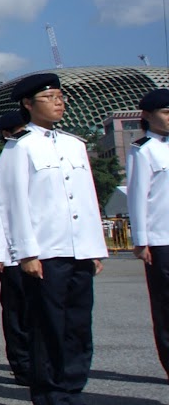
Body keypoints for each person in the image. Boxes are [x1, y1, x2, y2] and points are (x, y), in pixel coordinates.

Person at [0, 72, 108, 405]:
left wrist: (94, 247)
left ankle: (73, 386)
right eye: (49, 98)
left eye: (60, 96)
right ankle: (50, 393)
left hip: (78, 249)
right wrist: (26, 253)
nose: (58, 102)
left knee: (78, 324)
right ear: (28, 105)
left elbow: (87, 199)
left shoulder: (74, 145)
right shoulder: (20, 147)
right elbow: (15, 202)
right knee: (48, 327)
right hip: (46, 251)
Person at [0, 110, 32, 387]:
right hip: (13, 254)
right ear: (7, 135)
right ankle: (21, 363)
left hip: (43, 251)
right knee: (17, 310)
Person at [128, 87, 169, 382]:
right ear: (147, 116)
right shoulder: (143, 150)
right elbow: (137, 196)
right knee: (166, 307)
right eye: (166, 113)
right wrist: (141, 240)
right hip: (161, 239)